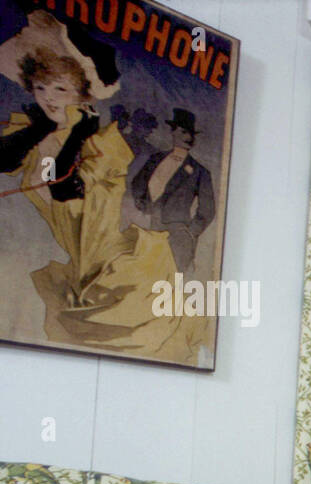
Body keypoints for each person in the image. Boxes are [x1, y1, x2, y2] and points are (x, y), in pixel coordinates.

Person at [0, 11, 206, 366]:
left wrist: (78, 131)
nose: (49, 98)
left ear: (84, 95)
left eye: (61, 89)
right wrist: (39, 129)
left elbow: (64, 188)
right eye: (41, 88)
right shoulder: (35, 133)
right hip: (85, 269)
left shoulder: (102, 145)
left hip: (117, 268)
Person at [131, 108, 216, 271]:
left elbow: (208, 209)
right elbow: (137, 182)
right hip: (150, 229)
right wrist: (141, 203)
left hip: (178, 236)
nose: (189, 138)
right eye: (184, 132)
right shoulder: (155, 159)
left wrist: (191, 232)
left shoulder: (200, 172)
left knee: (173, 283)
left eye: (192, 134)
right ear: (173, 132)